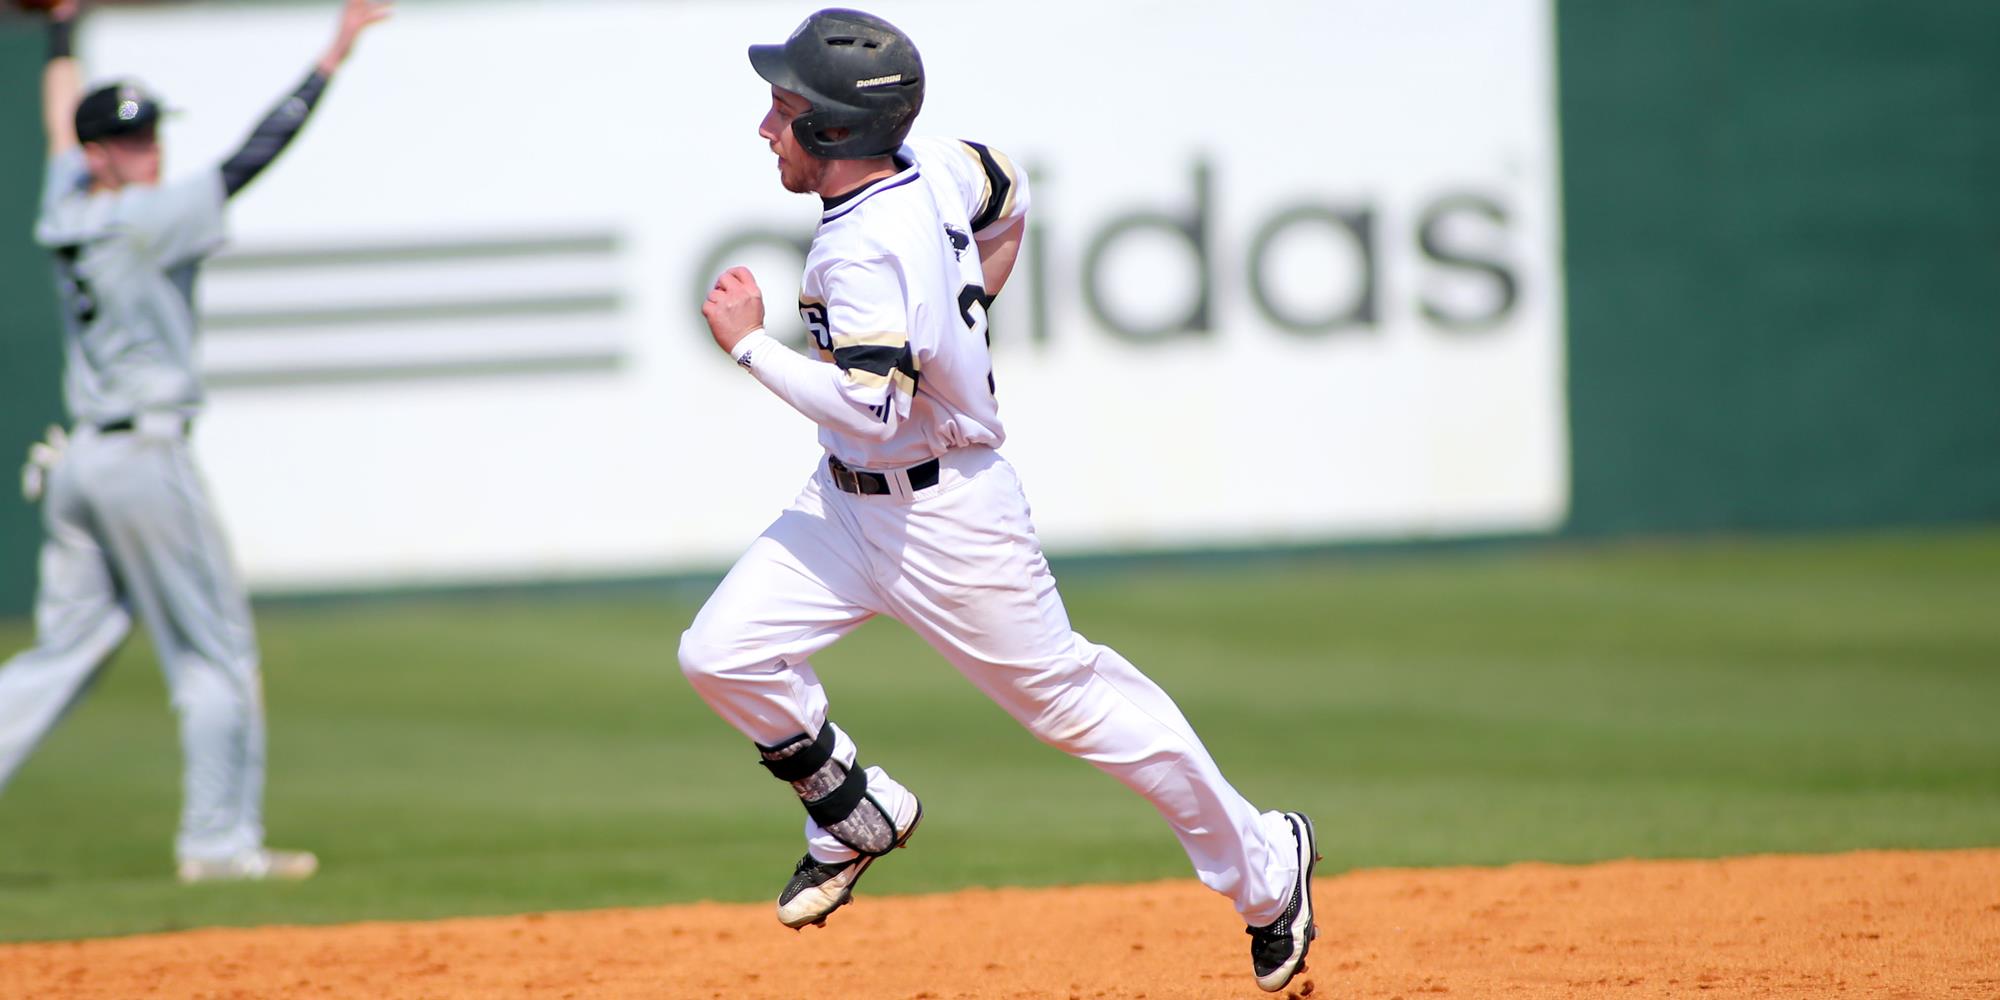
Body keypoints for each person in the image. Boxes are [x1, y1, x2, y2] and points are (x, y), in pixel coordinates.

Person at [682, 8, 1319, 992]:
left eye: (783, 109)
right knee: (719, 653)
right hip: (846, 505)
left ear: (836, 130)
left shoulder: (857, 250)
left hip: (946, 523)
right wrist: (958, 318)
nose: (767, 127)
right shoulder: (932, 162)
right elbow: (1007, 191)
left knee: (1072, 704)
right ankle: (855, 810)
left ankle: (1266, 862)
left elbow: (870, 404)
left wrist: (747, 346)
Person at [0, 0, 391, 884]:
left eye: (151, 137)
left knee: (62, 651)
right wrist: (332, 56)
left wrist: (59, 31)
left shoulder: (70, 201)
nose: (152, 152)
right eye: (133, 142)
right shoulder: (145, 216)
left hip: (77, 466)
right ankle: (217, 844)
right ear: (106, 155)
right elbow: (254, 156)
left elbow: (58, 119)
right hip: (142, 454)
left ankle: (217, 839)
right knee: (214, 652)